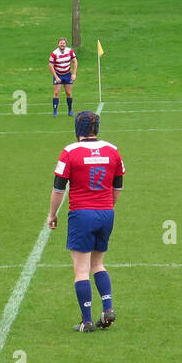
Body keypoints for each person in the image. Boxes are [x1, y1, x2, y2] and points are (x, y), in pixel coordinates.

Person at [47, 110, 123, 332]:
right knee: (98, 264)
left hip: (82, 214)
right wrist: (108, 206)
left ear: (77, 129)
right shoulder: (113, 150)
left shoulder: (69, 152)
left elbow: (58, 189)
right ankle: (107, 307)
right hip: (106, 213)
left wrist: (53, 214)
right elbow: (117, 187)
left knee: (81, 270)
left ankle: (87, 321)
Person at [48, 37, 77, 117]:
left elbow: (75, 61)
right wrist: (56, 77)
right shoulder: (54, 53)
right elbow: (50, 65)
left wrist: (74, 74)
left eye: (63, 43)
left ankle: (70, 110)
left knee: (69, 93)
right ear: (58, 44)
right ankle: (55, 111)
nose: (62, 44)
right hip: (58, 74)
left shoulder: (70, 51)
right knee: (57, 92)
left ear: (65, 44)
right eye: (61, 43)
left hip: (67, 74)